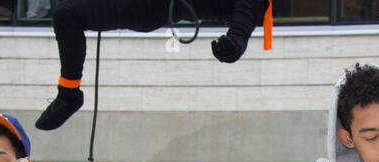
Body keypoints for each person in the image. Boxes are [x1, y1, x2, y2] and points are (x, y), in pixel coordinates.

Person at [36, 0, 271, 130]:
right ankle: (68, 93)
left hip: (150, 7)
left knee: (67, 14)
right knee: (65, 14)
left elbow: (249, 7)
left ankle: (68, 95)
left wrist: (237, 40)